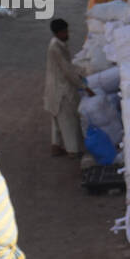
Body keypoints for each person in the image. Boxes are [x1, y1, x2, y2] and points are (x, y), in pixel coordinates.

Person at [44, 18, 94, 157]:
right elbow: (68, 71)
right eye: (64, 32)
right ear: (57, 33)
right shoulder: (56, 47)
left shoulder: (57, 44)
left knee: (57, 118)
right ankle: (73, 150)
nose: (67, 34)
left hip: (55, 86)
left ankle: (57, 145)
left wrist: (82, 70)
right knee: (68, 120)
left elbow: (68, 65)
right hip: (61, 88)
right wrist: (84, 87)